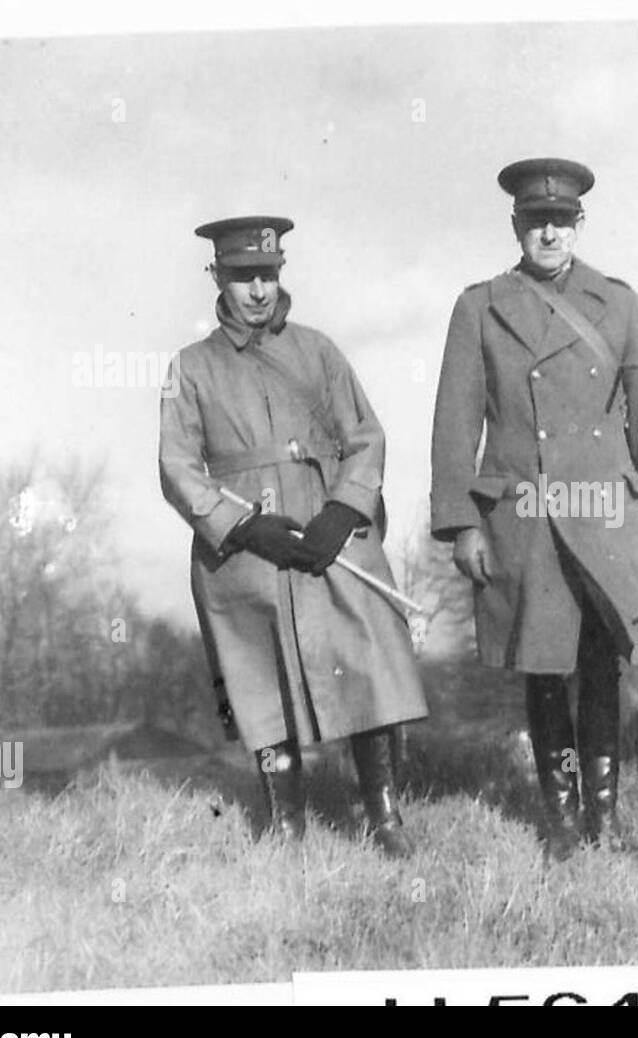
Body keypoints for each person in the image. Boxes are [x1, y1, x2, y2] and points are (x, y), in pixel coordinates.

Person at [430, 159, 638, 859]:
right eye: (537, 221)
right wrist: (461, 522)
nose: (550, 233)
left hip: (604, 511)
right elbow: (457, 423)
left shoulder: (618, 303)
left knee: (603, 664)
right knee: (544, 667)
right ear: (516, 226)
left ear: (580, 225)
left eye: (562, 221)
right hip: (527, 514)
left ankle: (605, 817)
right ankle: (562, 820)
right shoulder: (479, 306)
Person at [159, 215, 428, 857]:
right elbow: (176, 467)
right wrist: (243, 525)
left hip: (327, 531)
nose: (256, 290)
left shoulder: (318, 351)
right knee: (260, 678)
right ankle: (287, 825)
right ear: (216, 278)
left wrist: (343, 512)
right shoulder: (190, 369)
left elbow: (366, 436)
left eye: (267, 275)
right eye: (241, 276)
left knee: (367, 654)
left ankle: (383, 816)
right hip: (247, 546)